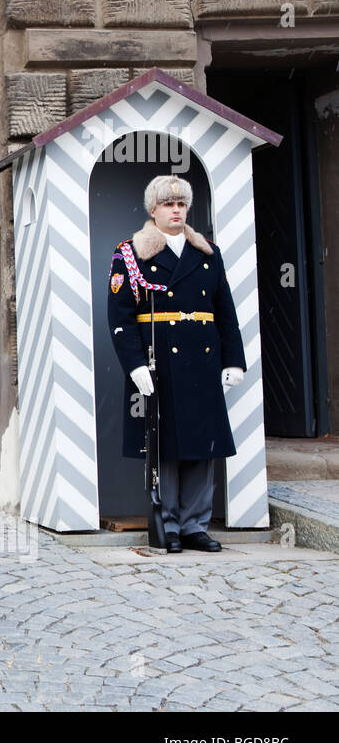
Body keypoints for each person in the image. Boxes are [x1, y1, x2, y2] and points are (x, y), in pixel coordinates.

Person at [106, 175, 245, 554]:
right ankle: (167, 524)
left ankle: (195, 526)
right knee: (163, 446)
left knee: (203, 445)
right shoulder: (132, 254)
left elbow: (225, 312)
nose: (177, 209)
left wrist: (234, 359)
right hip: (160, 362)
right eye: (169, 204)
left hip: (202, 360)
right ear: (154, 210)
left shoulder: (207, 254)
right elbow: (120, 316)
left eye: (182, 203)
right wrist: (134, 366)